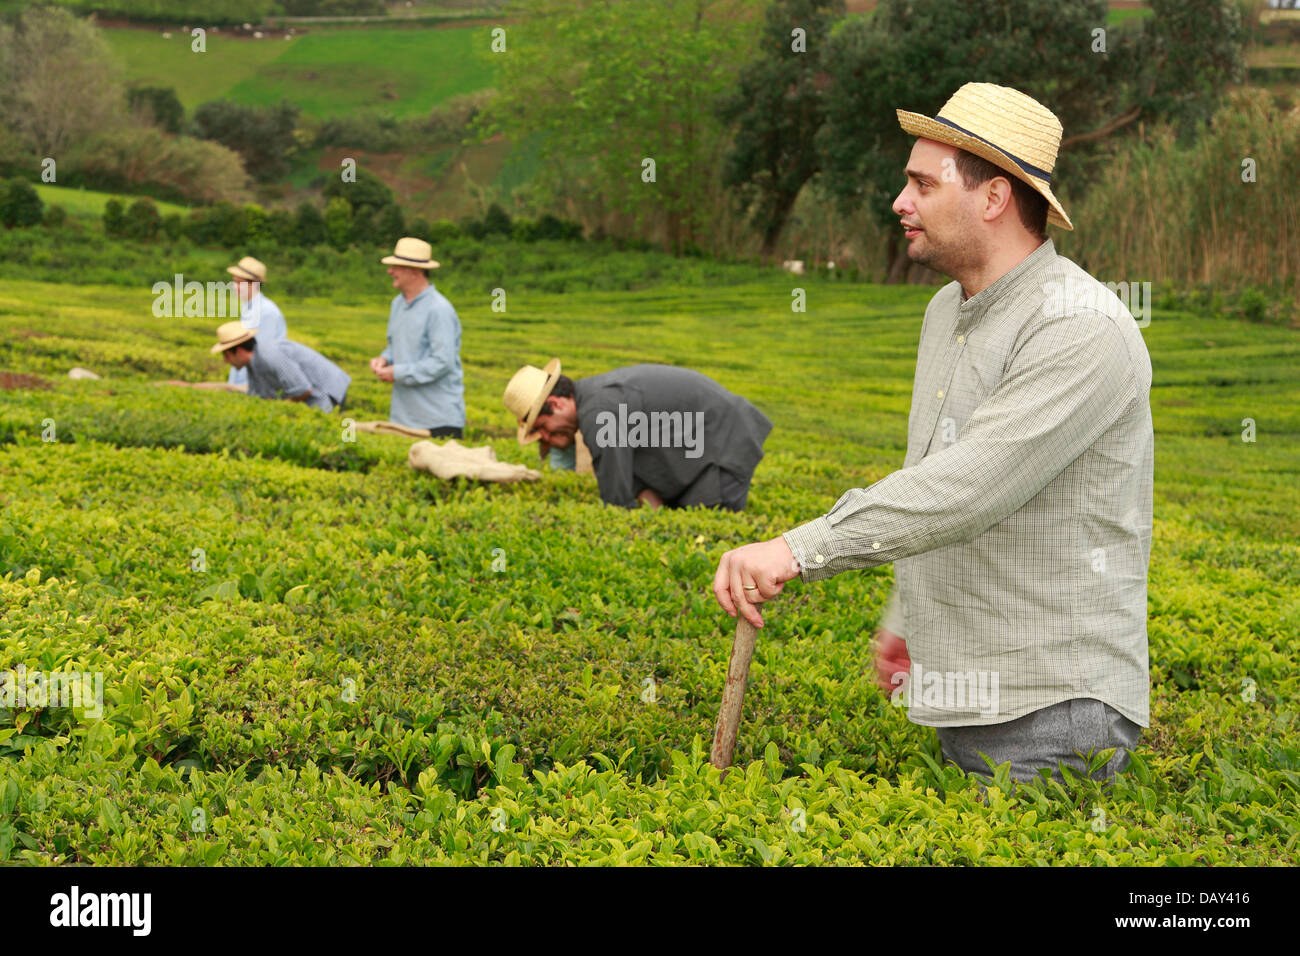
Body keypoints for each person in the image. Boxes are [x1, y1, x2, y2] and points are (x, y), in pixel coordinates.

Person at [710, 83, 1154, 786]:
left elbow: (968, 488)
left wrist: (800, 550)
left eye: (921, 182)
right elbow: (932, 472)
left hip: (1054, 713)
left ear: (993, 197)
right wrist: (905, 616)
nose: (900, 200)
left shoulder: (1078, 327)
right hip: (966, 699)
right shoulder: (945, 312)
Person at [503, 359, 772, 510]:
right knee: (684, 516)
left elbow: (617, 500)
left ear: (558, 404)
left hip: (724, 445)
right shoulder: (596, 399)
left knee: (710, 528)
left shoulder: (598, 411)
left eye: (541, 428)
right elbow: (627, 473)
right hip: (708, 447)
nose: (545, 438)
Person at [369, 237, 465, 437]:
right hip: (402, 418)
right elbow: (395, 346)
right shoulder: (397, 304)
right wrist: (384, 359)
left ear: (413, 272)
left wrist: (397, 373)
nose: (390, 272)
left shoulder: (439, 310)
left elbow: (442, 362)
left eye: (395, 267)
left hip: (437, 419)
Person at [210, 321, 350, 413]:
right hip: (315, 391)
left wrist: (279, 407)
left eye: (226, 355)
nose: (225, 361)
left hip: (327, 390)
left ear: (239, 351)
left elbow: (303, 389)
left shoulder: (269, 355)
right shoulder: (253, 363)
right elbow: (258, 396)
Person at [222, 256, 287, 389]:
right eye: (234, 282)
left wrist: (245, 387)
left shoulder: (267, 312)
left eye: (239, 283)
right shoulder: (249, 307)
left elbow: (259, 355)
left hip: (256, 385)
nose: (235, 287)